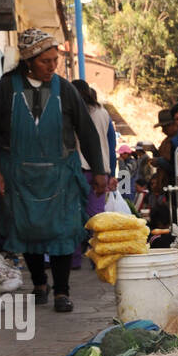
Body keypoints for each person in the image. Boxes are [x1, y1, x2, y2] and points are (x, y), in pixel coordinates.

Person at [0, 30, 106, 312]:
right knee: (27, 230)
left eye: (54, 59)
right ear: (29, 61)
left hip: (61, 175)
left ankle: (62, 291)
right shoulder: (6, 89)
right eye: (45, 61)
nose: (52, 66)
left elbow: (86, 131)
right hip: (17, 176)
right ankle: (39, 283)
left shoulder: (66, 89)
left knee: (63, 231)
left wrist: (99, 170)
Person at [72, 78, 117, 267]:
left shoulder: (71, 112)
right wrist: (112, 173)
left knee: (72, 215)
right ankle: (98, 259)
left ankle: (73, 260)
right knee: (96, 216)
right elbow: (111, 145)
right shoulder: (103, 113)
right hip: (100, 172)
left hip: (76, 170)